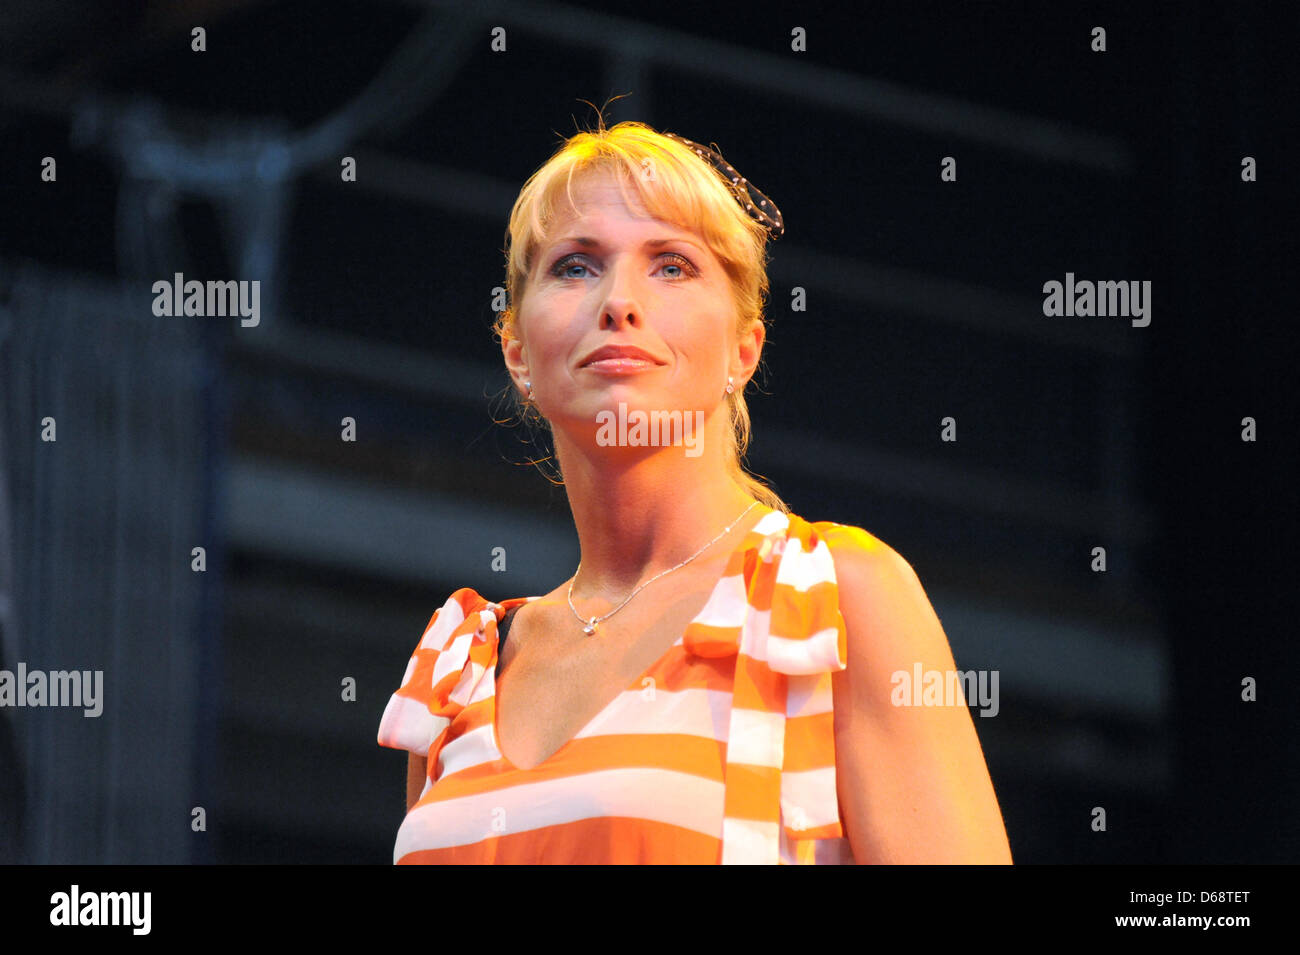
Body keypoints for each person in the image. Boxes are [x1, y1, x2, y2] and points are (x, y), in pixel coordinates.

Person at [377, 115, 1013, 864]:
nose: (619, 301)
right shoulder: (456, 666)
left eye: (672, 265)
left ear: (743, 351)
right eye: (576, 265)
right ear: (517, 351)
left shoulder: (836, 599)